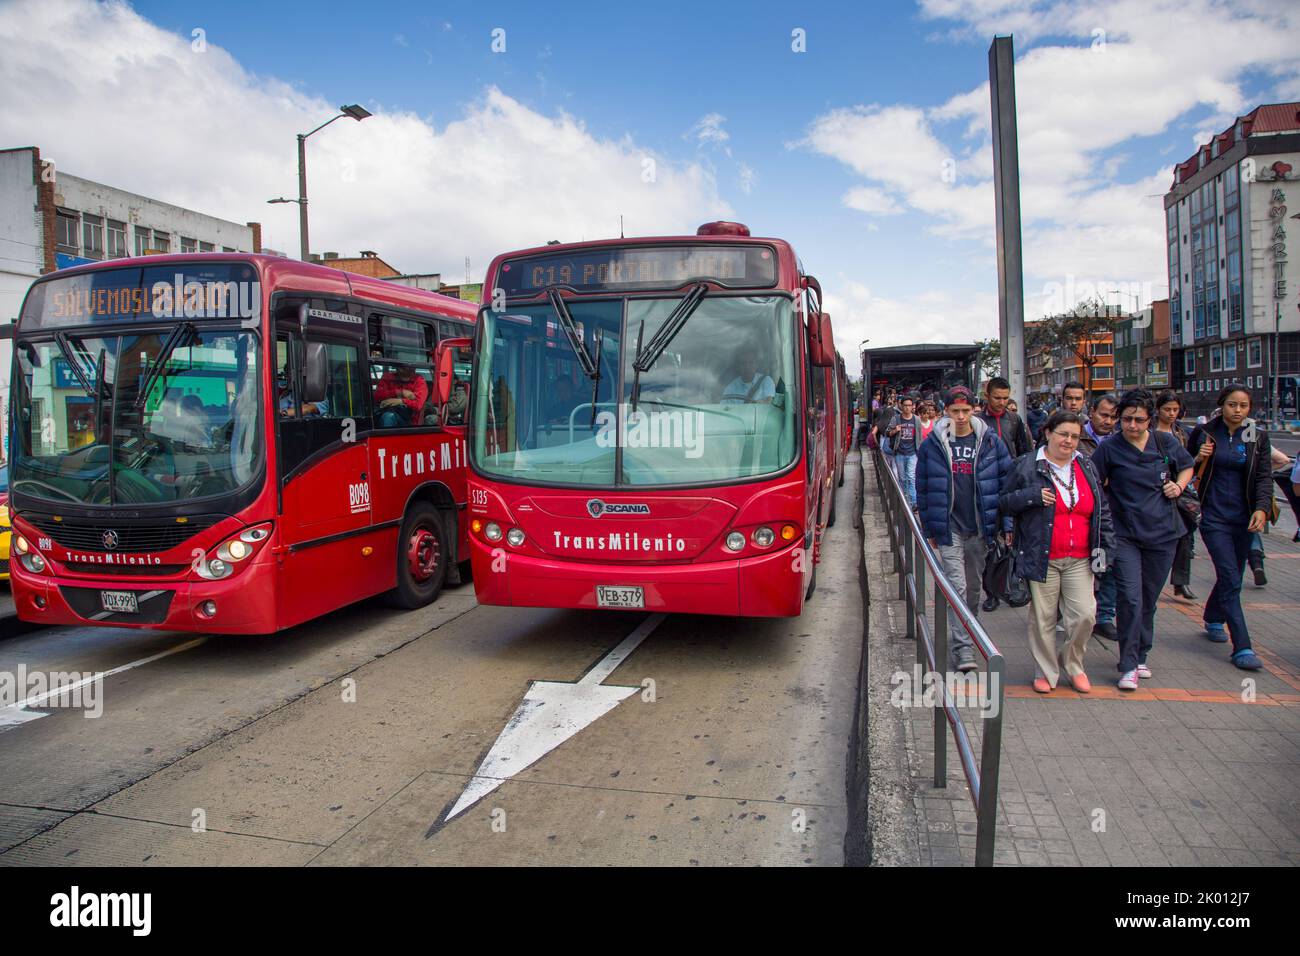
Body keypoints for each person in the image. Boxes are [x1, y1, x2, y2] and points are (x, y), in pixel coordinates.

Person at [1000, 411, 1114, 693]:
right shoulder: (1026, 465)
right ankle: (1046, 671)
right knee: (1044, 618)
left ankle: (1073, 663)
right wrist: (1031, 497)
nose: (1069, 441)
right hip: (1043, 554)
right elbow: (1004, 501)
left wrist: (1106, 548)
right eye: (1063, 434)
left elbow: (1102, 508)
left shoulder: (1086, 465)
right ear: (1048, 433)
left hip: (1081, 556)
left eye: (1075, 436)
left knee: (1085, 615)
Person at [1091, 388, 1194, 690]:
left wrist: (1178, 485)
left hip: (1163, 534)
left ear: (1150, 419)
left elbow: (1186, 465)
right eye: (1126, 420)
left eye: (1138, 420)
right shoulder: (1110, 448)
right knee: (1130, 597)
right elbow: (1093, 482)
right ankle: (1128, 664)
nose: (1132, 426)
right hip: (1125, 535)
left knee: (1148, 599)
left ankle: (1141, 654)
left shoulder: (1165, 442)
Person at [916, 385, 1014, 673]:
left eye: (966, 411)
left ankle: (968, 632)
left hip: (981, 527)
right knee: (955, 587)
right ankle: (964, 648)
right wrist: (929, 527)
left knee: (973, 589)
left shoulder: (990, 442)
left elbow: (1005, 483)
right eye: (955, 411)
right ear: (945, 411)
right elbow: (924, 487)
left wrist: (1006, 523)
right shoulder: (933, 444)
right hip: (950, 527)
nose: (960, 417)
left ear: (974, 410)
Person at [1187, 385, 1273, 671]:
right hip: (1212, 516)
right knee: (1230, 576)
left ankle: (1213, 616)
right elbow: (1183, 467)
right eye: (1232, 405)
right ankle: (1243, 646)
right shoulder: (1205, 433)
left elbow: (1263, 477)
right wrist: (1198, 457)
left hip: (1245, 517)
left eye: (1243, 406)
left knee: (1232, 574)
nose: (1237, 411)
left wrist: (1261, 508)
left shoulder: (1257, 437)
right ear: (1221, 405)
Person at [1079, 393, 1120, 638]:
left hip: (1112, 511)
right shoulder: (1077, 435)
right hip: (1083, 511)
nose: (1108, 421)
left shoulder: (1120, 440)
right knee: (1086, 563)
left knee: (1110, 562)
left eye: (1114, 417)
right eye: (1104, 415)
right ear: (1092, 411)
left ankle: (1104, 615)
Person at [1155, 390, 1196, 600]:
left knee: (1186, 536)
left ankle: (1181, 581)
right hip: (1156, 489)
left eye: (1175, 410)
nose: (1171, 414)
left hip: (1181, 490)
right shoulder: (1149, 430)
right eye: (1167, 409)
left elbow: (1189, 462)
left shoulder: (1183, 432)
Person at [887, 394, 921, 507]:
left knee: (911, 477)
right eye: (905, 405)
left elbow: (920, 436)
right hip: (899, 453)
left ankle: (913, 502)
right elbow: (888, 433)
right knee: (902, 478)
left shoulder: (916, 420)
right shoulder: (896, 419)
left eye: (909, 405)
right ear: (901, 406)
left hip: (912, 453)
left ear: (913, 407)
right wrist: (895, 430)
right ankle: (905, 500)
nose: (907, 408)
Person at [374, 363, 428, 427]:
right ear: (397, 368)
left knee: (388, 417)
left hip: (410, 421)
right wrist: (399, 392)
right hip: (387, 411)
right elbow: (377, 396)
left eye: (411, 368)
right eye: (402, 368)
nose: (411, 370)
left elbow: (418, 405)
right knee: (387, 416)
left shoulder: (419, 380)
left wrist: (400, 401)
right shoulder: (388, 377)